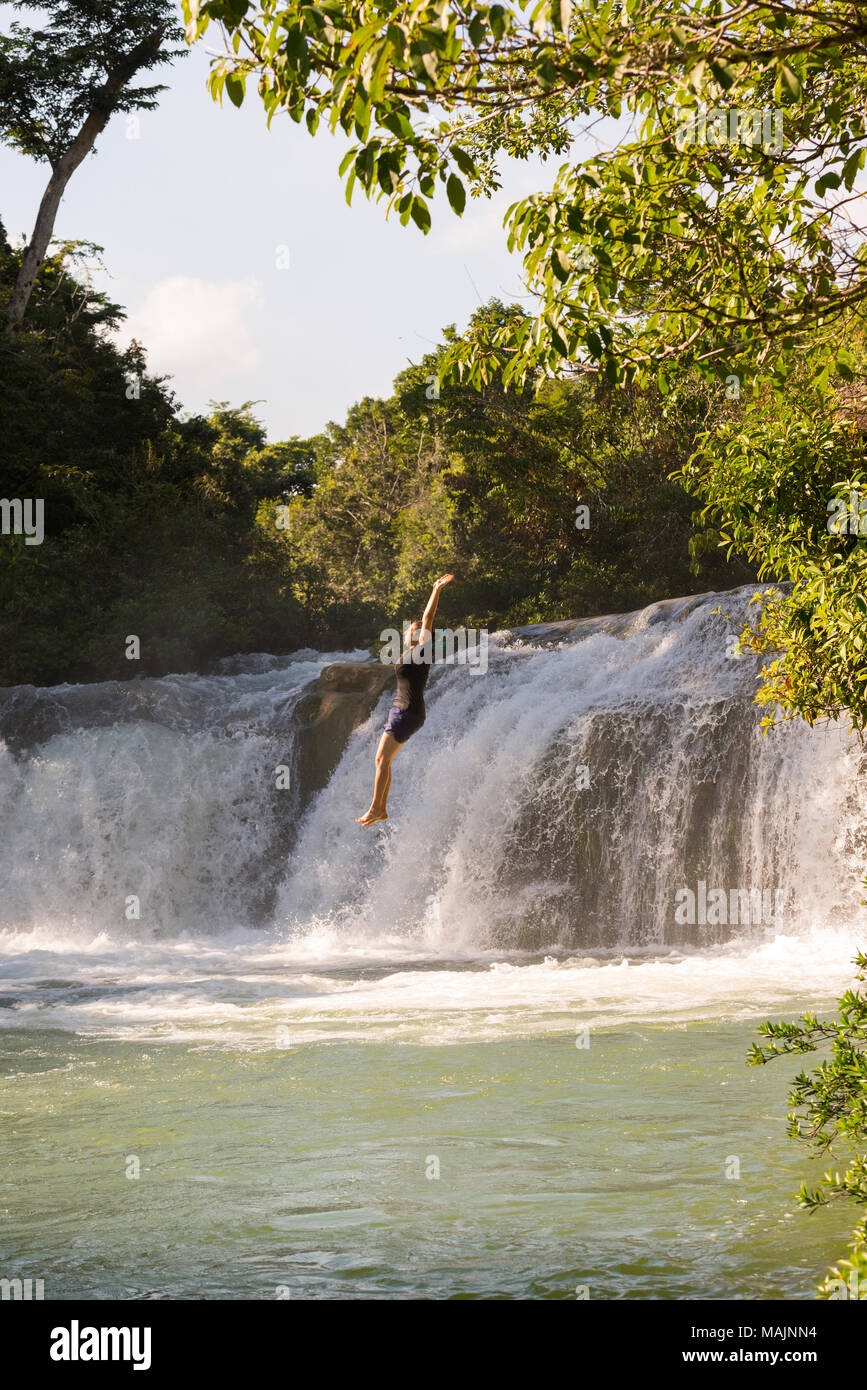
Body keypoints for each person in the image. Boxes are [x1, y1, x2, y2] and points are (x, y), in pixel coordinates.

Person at [356, 574, 454, 826]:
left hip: (407, 711)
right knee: (383, 760)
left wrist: (436, 589)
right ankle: (380, 808)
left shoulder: (422, 651)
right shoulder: (409, 653)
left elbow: (428, 617)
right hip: (402, 710)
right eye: (411, 628)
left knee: (382, 760)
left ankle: (376, 808)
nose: (412, 630)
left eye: (416, 629)